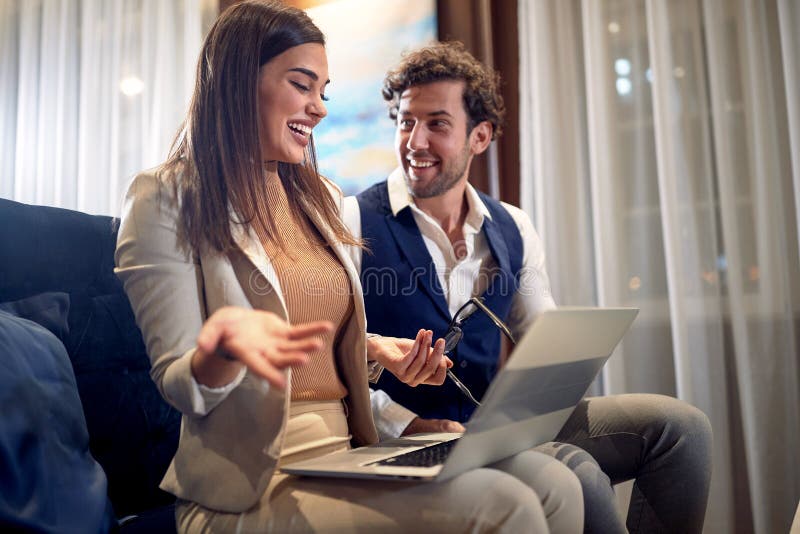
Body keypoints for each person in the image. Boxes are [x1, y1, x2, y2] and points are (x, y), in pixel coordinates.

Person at [115, 3, 585, 532]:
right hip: (250, 483)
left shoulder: (320, 198)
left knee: (557, 484)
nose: (318, 109)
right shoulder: (163, 197)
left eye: (324, 92)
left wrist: (375, 350)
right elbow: (180, 382)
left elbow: (309, 343)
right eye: (302, 85)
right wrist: (220, 351)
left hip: (349, 451)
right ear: (239, 80)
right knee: (504, 505)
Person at [342, 42, 714, 533]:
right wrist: (403, 422)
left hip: (495, 426)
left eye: (437, 123)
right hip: (404, 436)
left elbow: (543, 339)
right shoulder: (352, 220)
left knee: (682, 429)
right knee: (579, 473)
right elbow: (331, 366)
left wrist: (541, 398)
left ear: (480, 136)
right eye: (406, 121)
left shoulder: (511, 225)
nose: (414, 141)